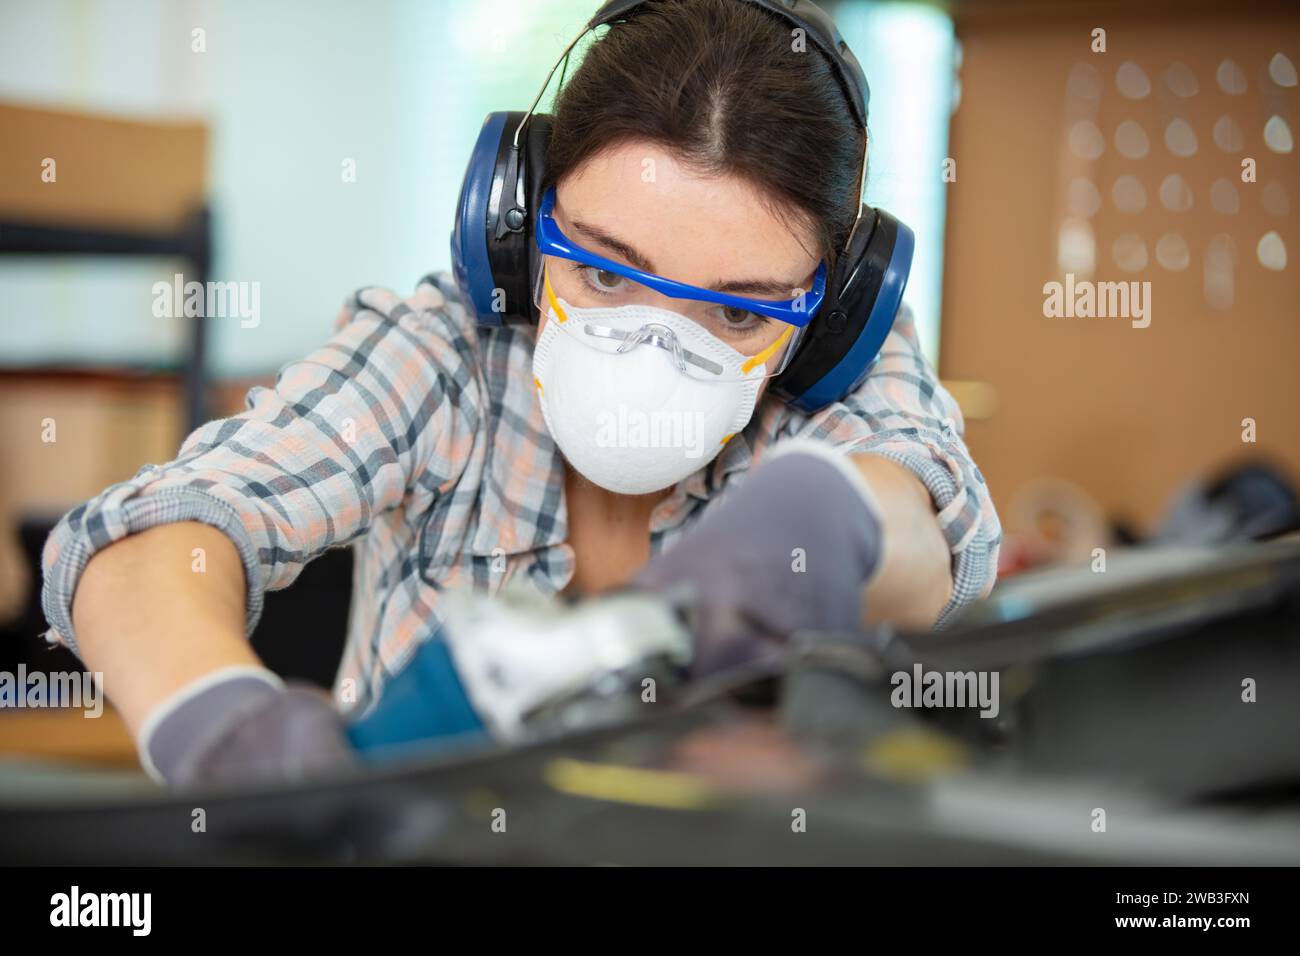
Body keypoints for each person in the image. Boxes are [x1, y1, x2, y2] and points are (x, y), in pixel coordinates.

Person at [40, 0, 1000, 787]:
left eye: (738, 314)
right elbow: (147, 543)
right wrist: (226, 734)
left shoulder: (847, 373)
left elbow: (929, 542)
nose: (653, 354)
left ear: (829, 315)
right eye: (608, 274)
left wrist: (831, 519)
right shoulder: (442, 352)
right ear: (519, 229)